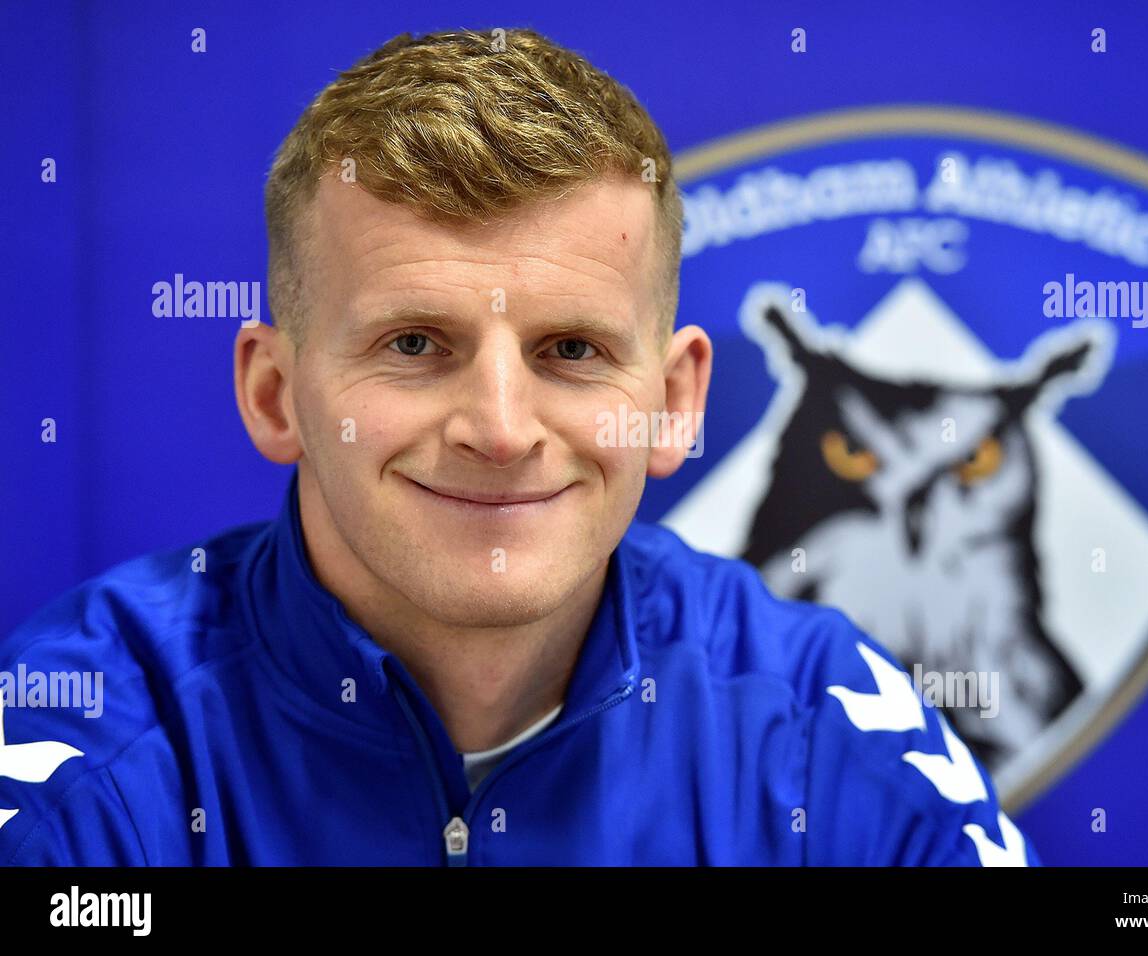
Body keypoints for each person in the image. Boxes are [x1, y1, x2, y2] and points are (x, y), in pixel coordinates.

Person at [0, 28, 1039, 865]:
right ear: (275, 394)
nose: (500, 429)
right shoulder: (85, 746)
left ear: (674, 402)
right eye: (414, 344)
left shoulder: (826, 729)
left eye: (571, 349)